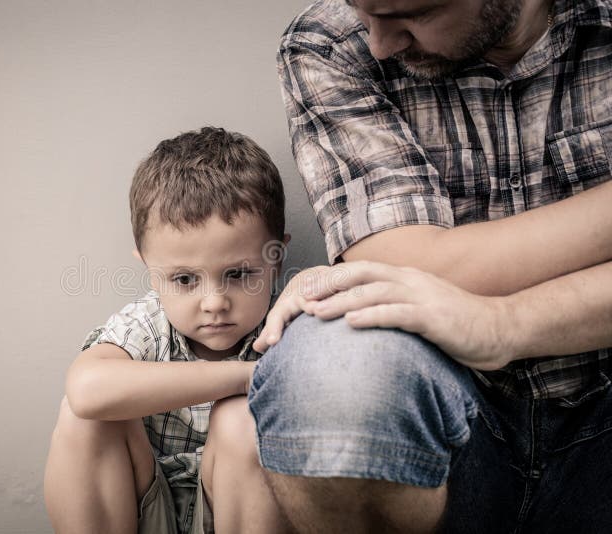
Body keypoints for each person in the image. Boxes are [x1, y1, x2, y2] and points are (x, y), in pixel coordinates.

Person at [247, 0, 612, 532]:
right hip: (456, 416)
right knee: (330, 370)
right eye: (360, 8)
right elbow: (404, 269)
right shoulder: (330, 42)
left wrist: (506, 325)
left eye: (410, 14)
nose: (378, 42)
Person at [43, 127, 292, 534]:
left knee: (242, 419)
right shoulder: (150, 325)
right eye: (184, 280)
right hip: (142, 509)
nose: (213, 302)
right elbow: (86, 389)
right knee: (85, 415)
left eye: (238, 273)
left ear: (276, 260)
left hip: (238, 510)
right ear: (149, 270)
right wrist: (246, 376)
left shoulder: (286, 329)